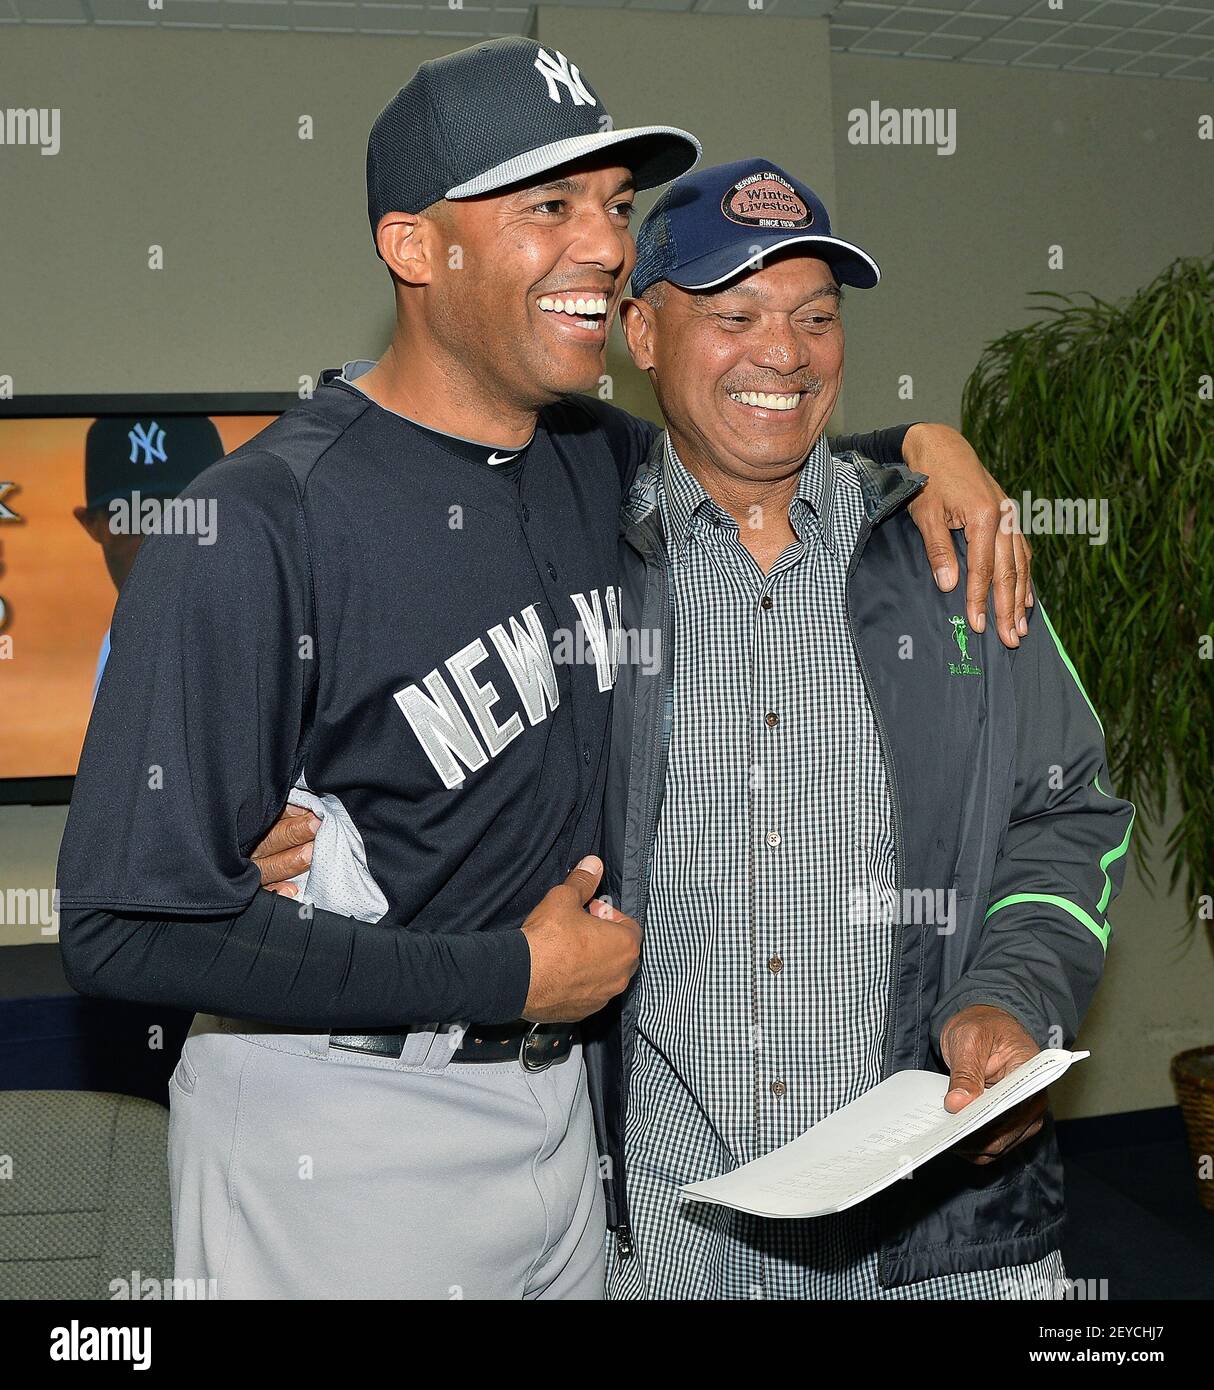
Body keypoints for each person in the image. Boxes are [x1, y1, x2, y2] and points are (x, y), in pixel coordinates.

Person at [58, 39, 1030, 1301]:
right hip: (337, 1130)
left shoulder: (589, 462)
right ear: (414, 248)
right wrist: (508, 975)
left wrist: (923, 445)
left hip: (559, 1119)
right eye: (549, 207)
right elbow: (120, 925)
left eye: (615, 208)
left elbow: (756, 417)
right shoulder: (259, 520)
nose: (606, 244)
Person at [589, 159, 1136, 1299]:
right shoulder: (583, 575)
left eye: (814, 318)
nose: (781, 353)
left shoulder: (955, 563)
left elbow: (1065, 808)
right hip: (669, 1240)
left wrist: (1009, 994)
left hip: (939, 1231)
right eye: (731, 315)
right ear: (640, 331)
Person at [73, 415, 223, 695]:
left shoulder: (275, 652)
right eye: (132, 518)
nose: (158, 540)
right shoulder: (116, 649)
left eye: (179, 515)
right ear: (91, 524)